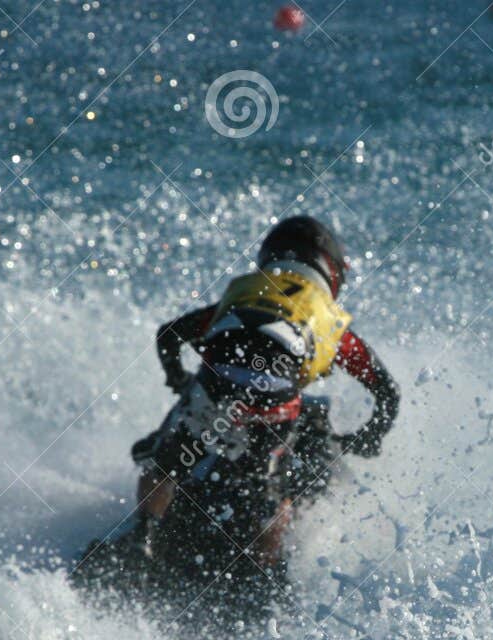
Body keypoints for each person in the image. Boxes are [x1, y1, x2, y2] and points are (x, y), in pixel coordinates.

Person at [127, 215, 399, 575]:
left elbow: (169, 335)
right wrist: (369, 437)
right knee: (273, 486)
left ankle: (142, 536)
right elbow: (387, 392)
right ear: (330, 271)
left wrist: (178, 379)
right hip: (276, 395)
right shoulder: (332, 322)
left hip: (217, 379)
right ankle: (265, 570)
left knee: (170, 458)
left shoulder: (245, 290)